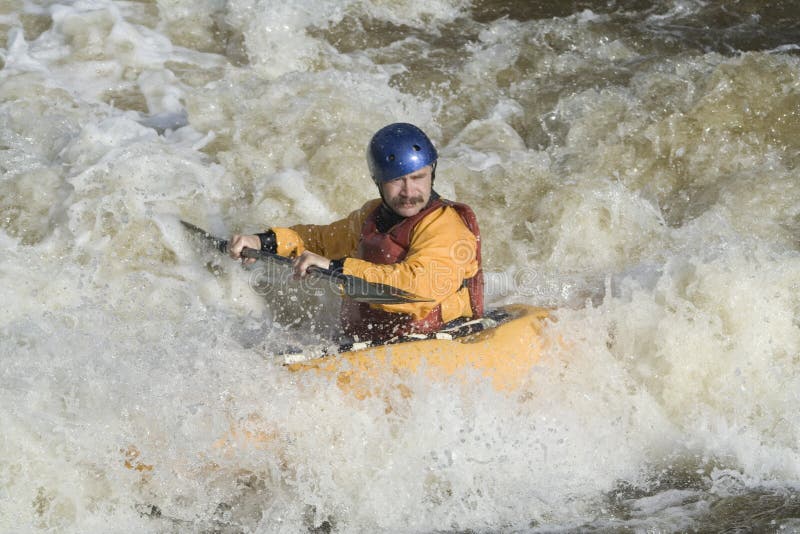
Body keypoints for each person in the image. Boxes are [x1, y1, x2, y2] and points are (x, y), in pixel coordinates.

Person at [228, 123, 484, 342]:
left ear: (432, 173)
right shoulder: (371, 216)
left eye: (418, 177)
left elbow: (420, 287)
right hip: (370, 340)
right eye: (397, 180)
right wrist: (264, 242)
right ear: (378, 181)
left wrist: (337, 268)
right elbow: (320, 241)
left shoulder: (446, 226)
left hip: (438, 338)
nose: (409, 192)